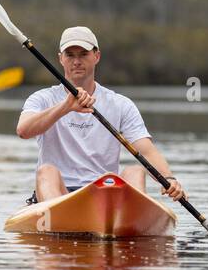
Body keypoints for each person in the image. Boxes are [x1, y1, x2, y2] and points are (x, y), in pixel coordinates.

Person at [16, 27, 187, 204]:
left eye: (83, 54)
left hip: (103, 193)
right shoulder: (42, 99)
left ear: (96, 56)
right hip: (59, 192)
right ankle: (57, 216)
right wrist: (65, 107)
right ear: (61, 58)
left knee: (135, 171)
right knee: (46, 172)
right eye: (70, 55)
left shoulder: (121, 104)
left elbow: (146, 150)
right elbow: (23, 131)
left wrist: (169, 179)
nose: (76, 61)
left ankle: (129, 221)